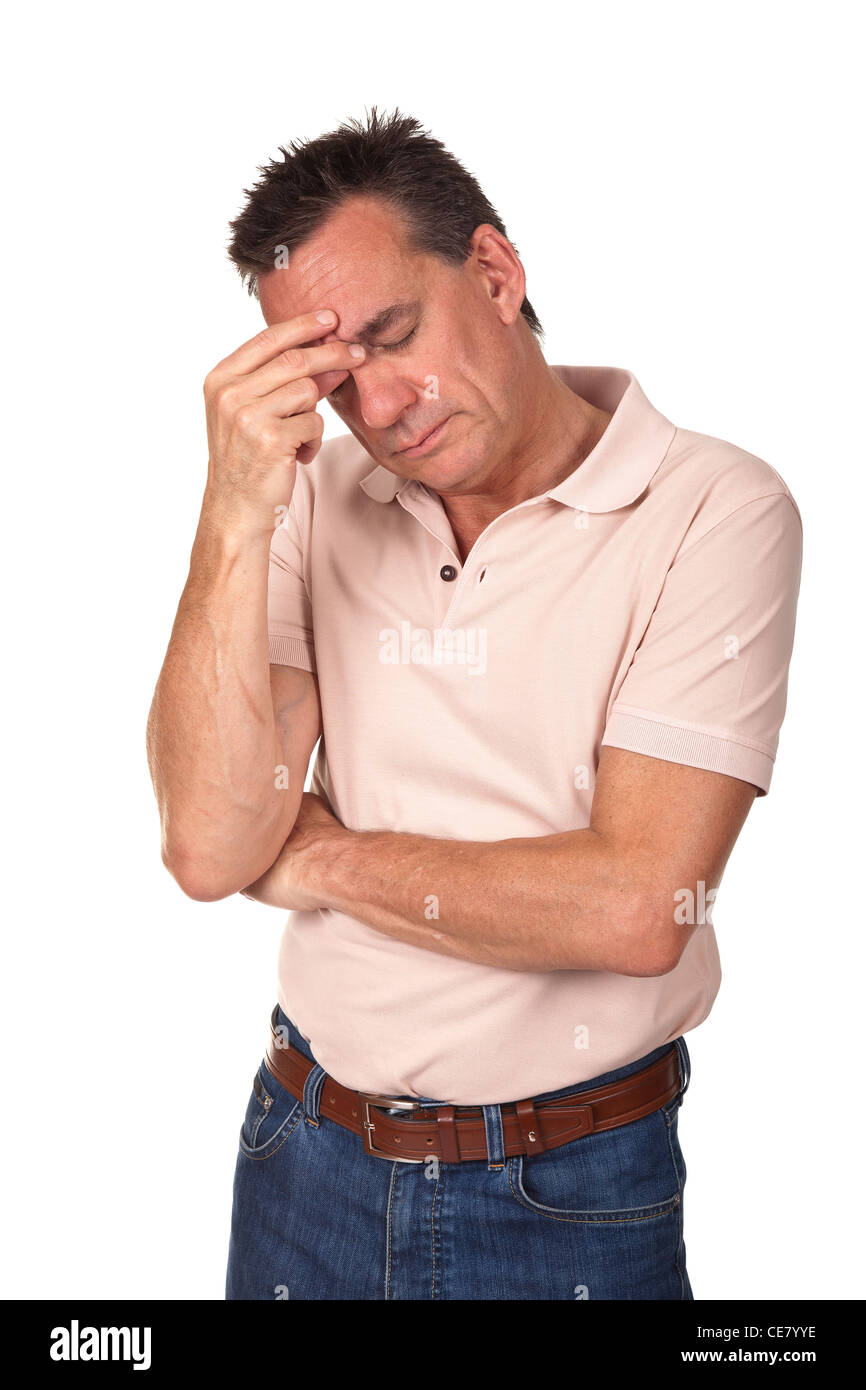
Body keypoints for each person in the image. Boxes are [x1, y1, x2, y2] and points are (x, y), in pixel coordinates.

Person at [146, 109, 802, 1300]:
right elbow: (206, 843)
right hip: (303, 1152)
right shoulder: (308, 500)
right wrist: (233, 508)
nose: (383, 406)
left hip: (565, 1191)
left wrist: (321, 860)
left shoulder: (715, 509)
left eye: (396, 336)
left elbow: (636, 905)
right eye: (338, 384)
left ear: (494, 271)